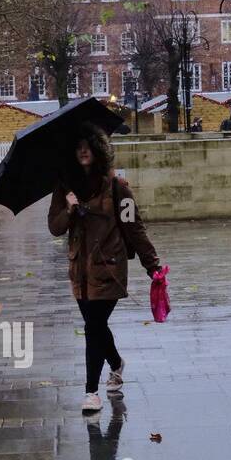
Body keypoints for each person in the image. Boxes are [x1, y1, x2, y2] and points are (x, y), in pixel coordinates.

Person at [48, 122, 163, 414]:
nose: (83, 151)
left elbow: (133, 227)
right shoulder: (65, 187)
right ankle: (116, 363)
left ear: (98, 150)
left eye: (88, 145)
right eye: (77, 147)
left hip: (110, 269)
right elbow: (54, 227)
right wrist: (69, 208)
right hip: (80, 273)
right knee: (95, 326)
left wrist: (153, 267)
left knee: (93, 326)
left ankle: (91, 392)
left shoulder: (117, 187)